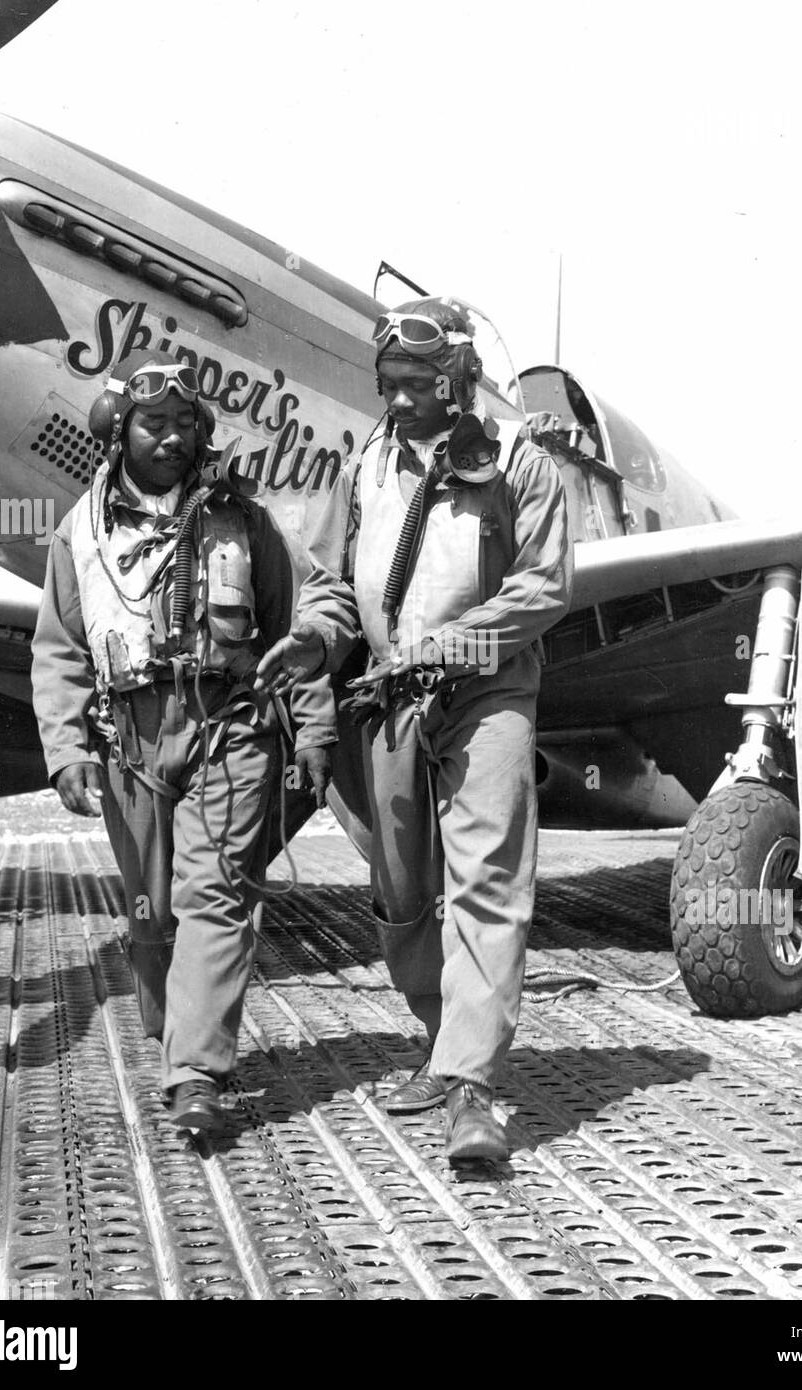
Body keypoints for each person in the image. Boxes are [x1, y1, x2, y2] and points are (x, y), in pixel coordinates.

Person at [257, 298, 572, 1161]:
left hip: (486, 697)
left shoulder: (524, 464)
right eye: (386, 384)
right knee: (399, 892)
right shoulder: (365, 467)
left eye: (414, 384)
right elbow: (330, 579)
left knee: (486, 882)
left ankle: (474, 1086)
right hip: (388, 700)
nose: (395, 400)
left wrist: (446, 649)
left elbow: (544, 589)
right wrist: (314, 637)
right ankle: (443, 1043)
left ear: (458, 379)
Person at [31, 348, 297, 1137]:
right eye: (154, 423)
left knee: (212, 897)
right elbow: (58, 649)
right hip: (131, 741)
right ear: (119, 432)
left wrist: (303, 729)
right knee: (151, 917)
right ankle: (177, 1035)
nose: (172, 437)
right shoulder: (77, 532)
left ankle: (195, 1077)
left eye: (186, 423)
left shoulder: (244, 521)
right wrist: (67, 749)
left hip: (225, 725)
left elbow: (289, 631)